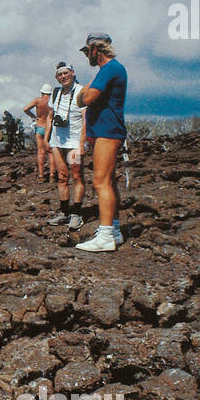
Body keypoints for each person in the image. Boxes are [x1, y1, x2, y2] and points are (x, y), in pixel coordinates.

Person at [75, 33, 128, 252]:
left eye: (88, 51)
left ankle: (105, 235)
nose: (87, 55)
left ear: (96, 49)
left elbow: (85, 99)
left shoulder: (110, 69)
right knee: (110, 181)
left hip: (108, 130)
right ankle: (114, 230)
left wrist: (85, 90)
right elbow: (83, 99)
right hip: (106, 130)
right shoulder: (108, 71)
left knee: (101, 182)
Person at [45, 63, 87, 231]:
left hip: (74, 142)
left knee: (77, 176)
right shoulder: (55, 93)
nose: (63, 77)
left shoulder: (81, 91)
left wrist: (81, 144)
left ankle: (76, 214)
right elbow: (49, 117)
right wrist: (47, 139)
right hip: (57, 141)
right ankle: (64, 213)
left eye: (65, 73)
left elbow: (86, 120)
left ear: (72, 73)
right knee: (62, 177)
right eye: (59, 75)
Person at [23, 83, 54, 182]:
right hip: (50, 128)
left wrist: (34, 117)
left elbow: (25, 109)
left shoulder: (38, 100)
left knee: (40, 152)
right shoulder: (53, 101)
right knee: (51, 153)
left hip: (40, 126)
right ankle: (52, 176)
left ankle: (41, 176)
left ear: (42, 92)